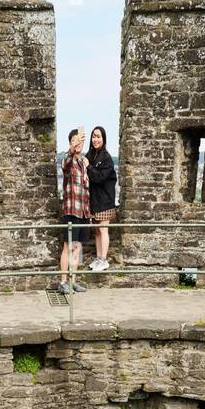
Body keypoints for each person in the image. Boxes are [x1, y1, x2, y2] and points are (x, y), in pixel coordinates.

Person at [58, 125, 89, 295]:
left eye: (80, 141)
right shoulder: (68, 161)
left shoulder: (83, 163)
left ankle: (72, 281)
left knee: (77, 247)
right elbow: (65, 161)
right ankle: (63, 282)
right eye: (74, 141)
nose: (78, 144)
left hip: (82, 211)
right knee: (67, 246)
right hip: (71, 211)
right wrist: (72, 147)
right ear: (70, 143)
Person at [86, 126, 116, 272]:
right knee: (97, 230)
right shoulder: (91, 155)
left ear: (103, 139)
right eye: (93, 136)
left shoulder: (106, 158)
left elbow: (99, 178)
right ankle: (98, 258)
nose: (95, 139)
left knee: (103, 230)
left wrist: (88, 167)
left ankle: (104, 260)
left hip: (105, 201)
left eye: (98, 136)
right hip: (95, 201)